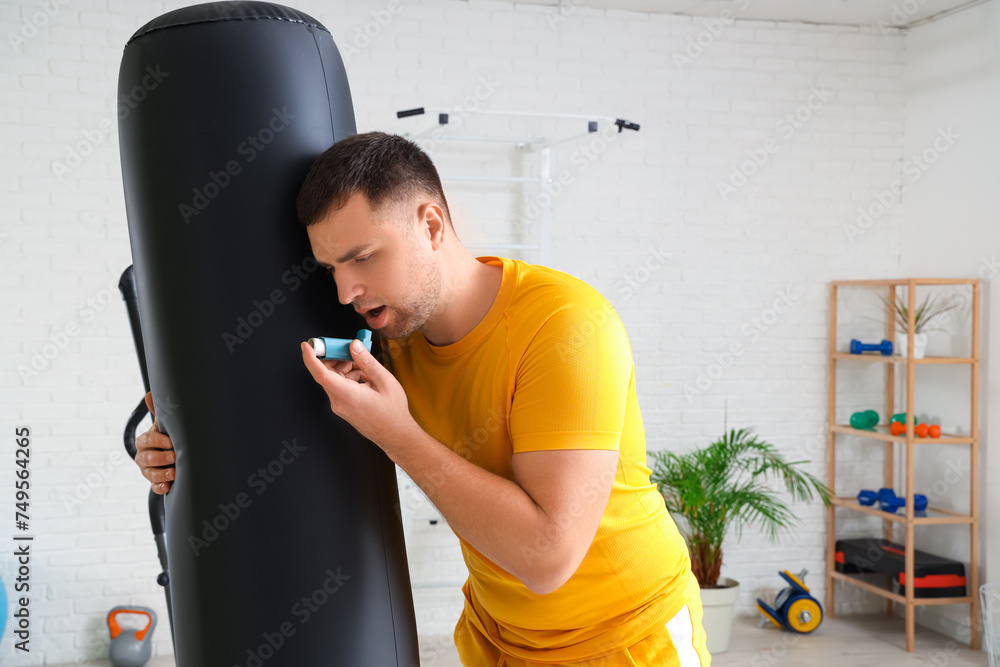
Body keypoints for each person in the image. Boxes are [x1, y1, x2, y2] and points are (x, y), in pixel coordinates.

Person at [134, 131, 711, 667]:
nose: (345, 291)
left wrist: (397, 432)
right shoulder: (389, 340)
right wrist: (175, 438)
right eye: (332, 267)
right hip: (498, 636)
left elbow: (547, 557)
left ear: (432, 225)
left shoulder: (565, 327)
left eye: (363, 257)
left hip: (625, 638)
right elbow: (262, 398)